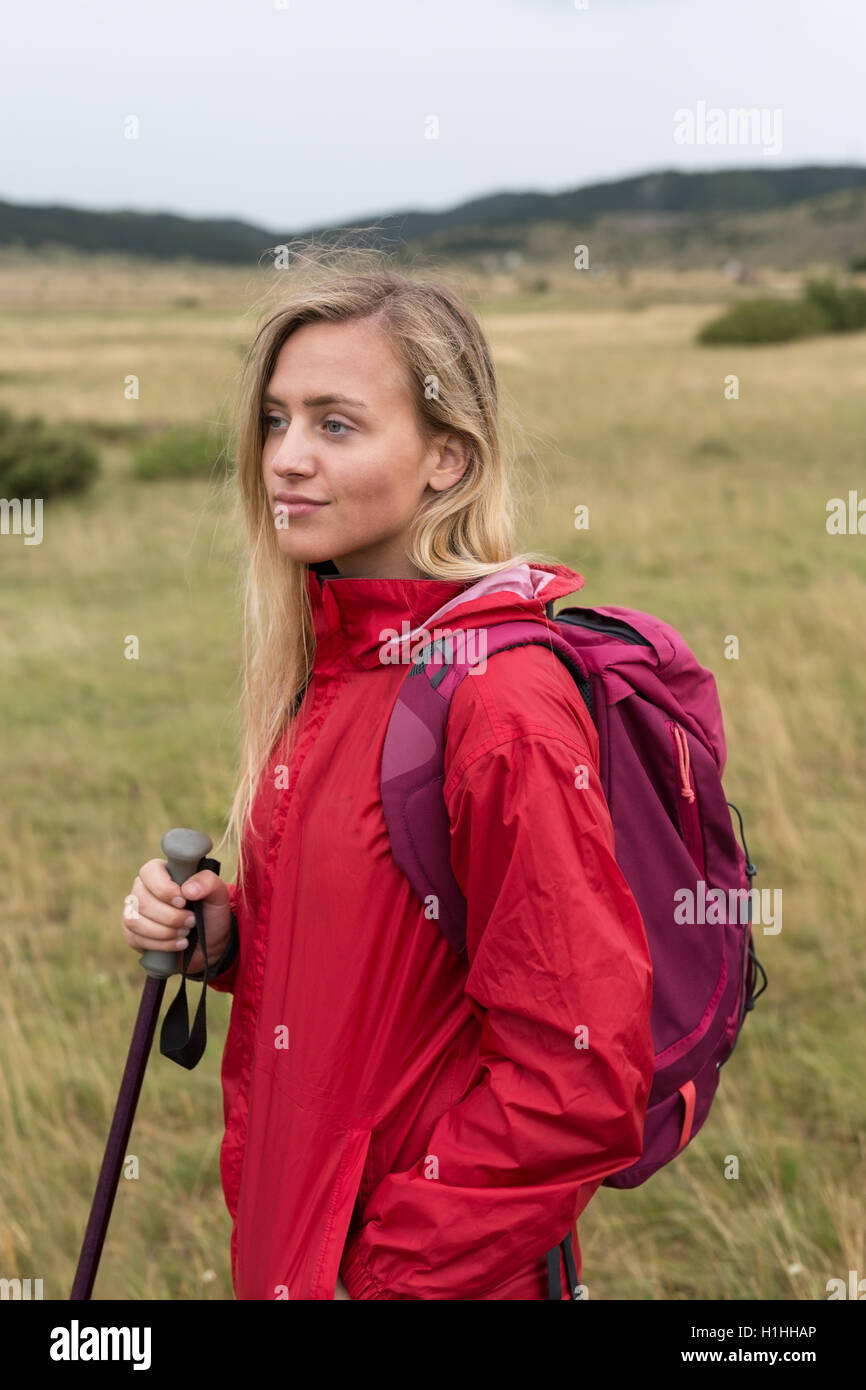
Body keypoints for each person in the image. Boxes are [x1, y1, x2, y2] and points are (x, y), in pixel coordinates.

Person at [121, 253, 654, 1300]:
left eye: (335, 423)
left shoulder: (497, 705)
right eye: (275, 420)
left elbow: (580, 1075)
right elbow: (384, 957)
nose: (283, 458)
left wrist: (382, 1276)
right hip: (297, 1248)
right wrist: (229, 937)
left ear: (445, 459)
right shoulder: (340, 664)